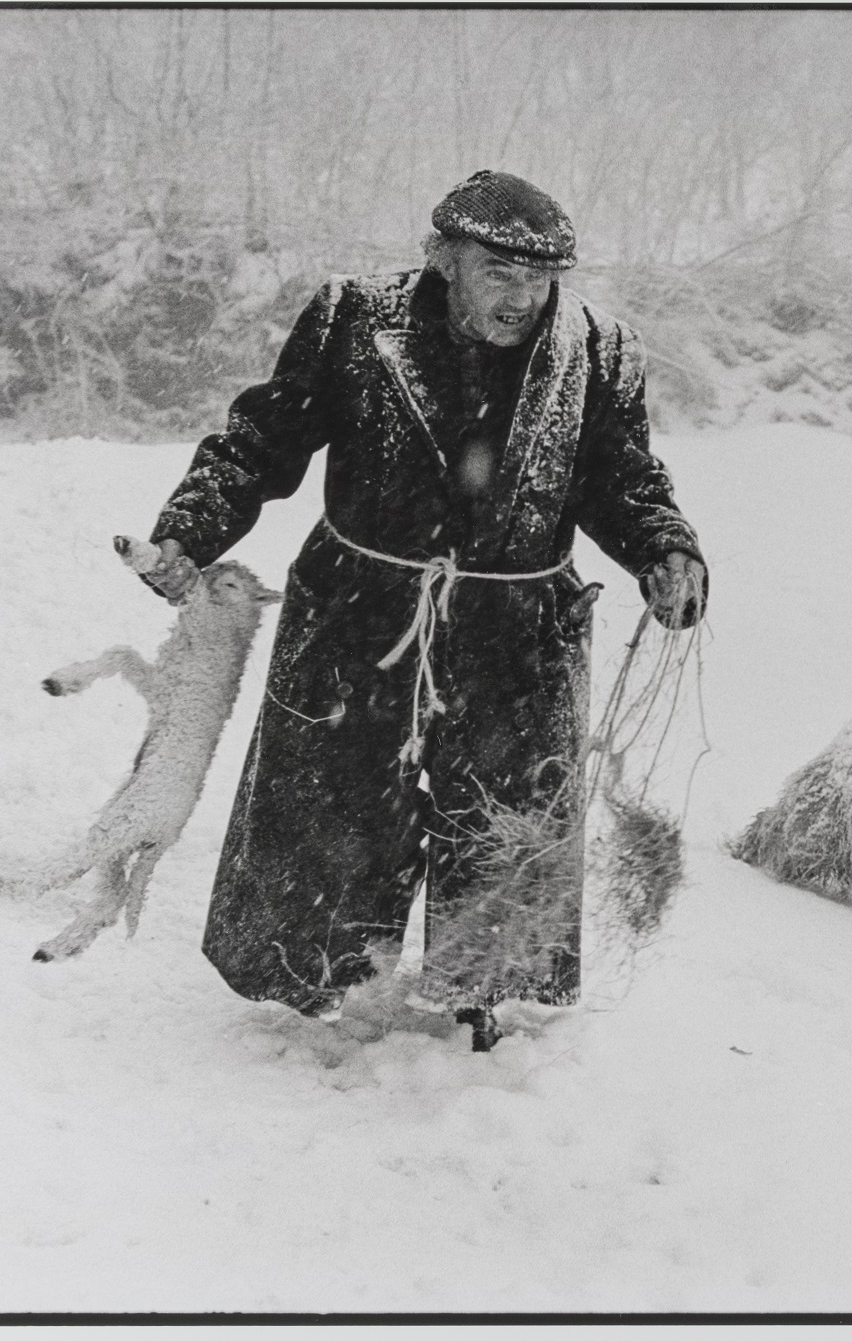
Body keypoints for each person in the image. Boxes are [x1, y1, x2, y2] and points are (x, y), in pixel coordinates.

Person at [136, 170, 706, 1046]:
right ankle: (312, 998)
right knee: (333, 805)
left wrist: (664, 546)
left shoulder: (599, 352)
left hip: (519, 632)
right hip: (362, 612)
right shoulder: (353, 320)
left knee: (509, 817)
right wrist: (192, 528)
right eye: (498, 272)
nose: (520, 298)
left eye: (538, 278)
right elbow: (262, 440)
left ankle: (488, 997)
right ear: (444, 258)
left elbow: (622, 477)